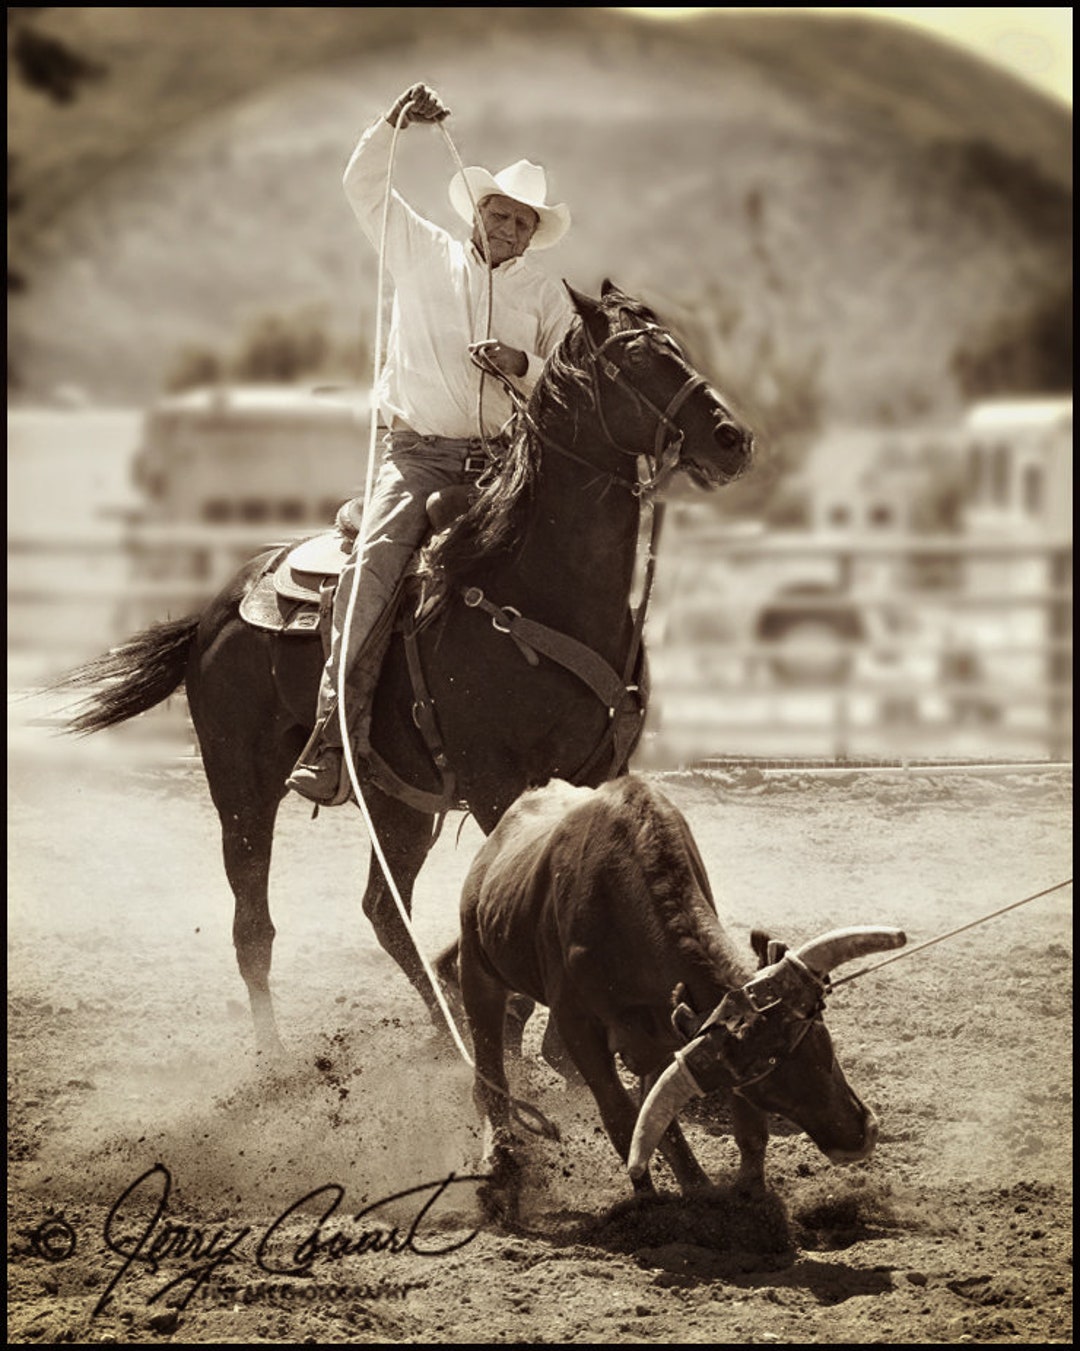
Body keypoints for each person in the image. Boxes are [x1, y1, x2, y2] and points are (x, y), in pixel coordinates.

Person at [287, 81, 576, 806]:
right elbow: (362, 186)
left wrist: (522, 365)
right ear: (477, 213)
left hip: (506, 467)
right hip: (419, 458)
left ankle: (582, 736)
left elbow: (571, 381)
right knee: (373, 572)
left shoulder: (546, 296)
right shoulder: (421, 250)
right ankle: (333, 738)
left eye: (521, 222)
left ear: (532, 235)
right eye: (499, 213)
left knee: (575, 570)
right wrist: (393, 124)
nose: (507, 227)